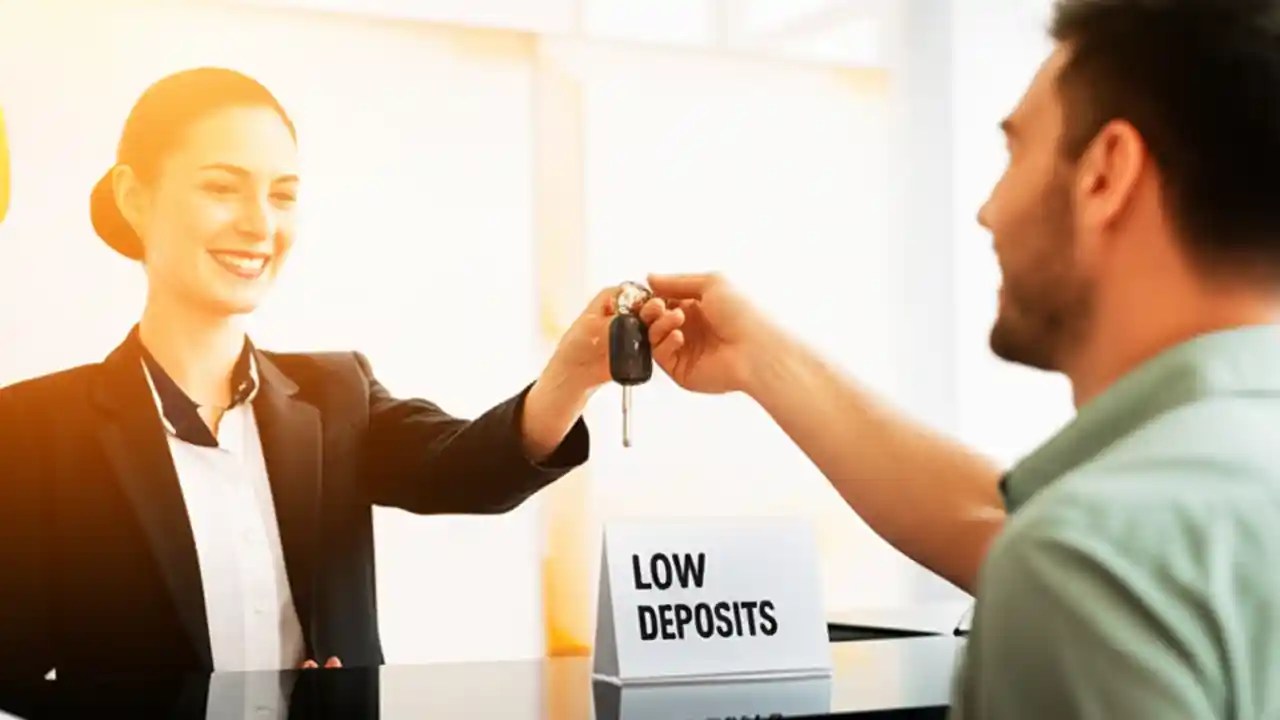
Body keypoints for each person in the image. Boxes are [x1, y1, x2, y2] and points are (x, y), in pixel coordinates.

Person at [647, 0, 1280, 716]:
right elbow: (1002, 519)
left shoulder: (1085, 564)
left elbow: (1063, 550)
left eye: (1014, 152)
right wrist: (764, 362)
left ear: (1106, 173)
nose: (988, 209)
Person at [0, 67, 686, 683]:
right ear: (134, 197)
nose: (258, 223)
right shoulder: (32, 429)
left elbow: (467, 467)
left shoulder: (336, 394)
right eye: (221, 187)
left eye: (283, 194)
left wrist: (571, 375)